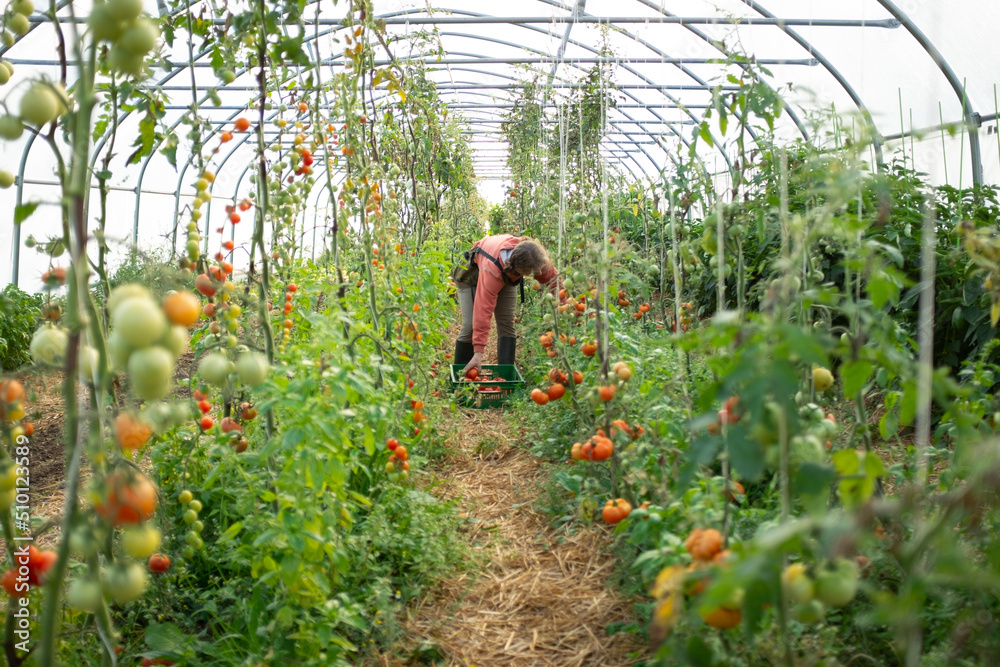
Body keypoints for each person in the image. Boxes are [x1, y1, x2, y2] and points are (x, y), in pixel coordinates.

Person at [452, 234, 559, 374]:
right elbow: (483, 309)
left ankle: (505, 377)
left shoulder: (531, 254)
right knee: (470, 325)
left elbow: (553, 279)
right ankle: (461, 377)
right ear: (518, 269)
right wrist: (478, 352)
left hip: (503, 272)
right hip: (472, 275)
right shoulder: (492, 270)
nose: (538, 273)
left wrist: (563, 304)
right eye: (532, 272)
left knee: (507, 323)